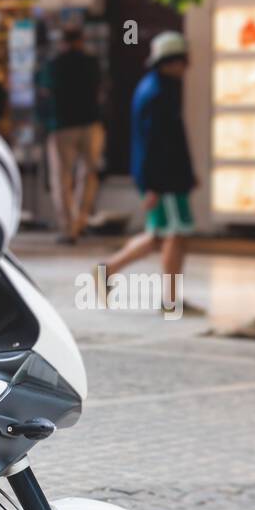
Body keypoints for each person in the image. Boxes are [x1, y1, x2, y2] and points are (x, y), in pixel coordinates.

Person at [96, 31, 201, 315]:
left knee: (158, 235)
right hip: (165, 180)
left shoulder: (154, 88)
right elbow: (158, 142)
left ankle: (107, 271)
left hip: (164, 178)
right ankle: (170, 300)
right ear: (173, 61)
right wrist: (154, 183)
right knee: (175, 236)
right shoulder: (159, 94)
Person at [43, 26, 103, 244]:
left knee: (62, 178)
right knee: (88, 175)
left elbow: (45, 91)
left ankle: (68, 227)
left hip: (63, 126)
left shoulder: (55, 64)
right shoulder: (91, 63)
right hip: (91, 123)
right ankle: (81, 220)